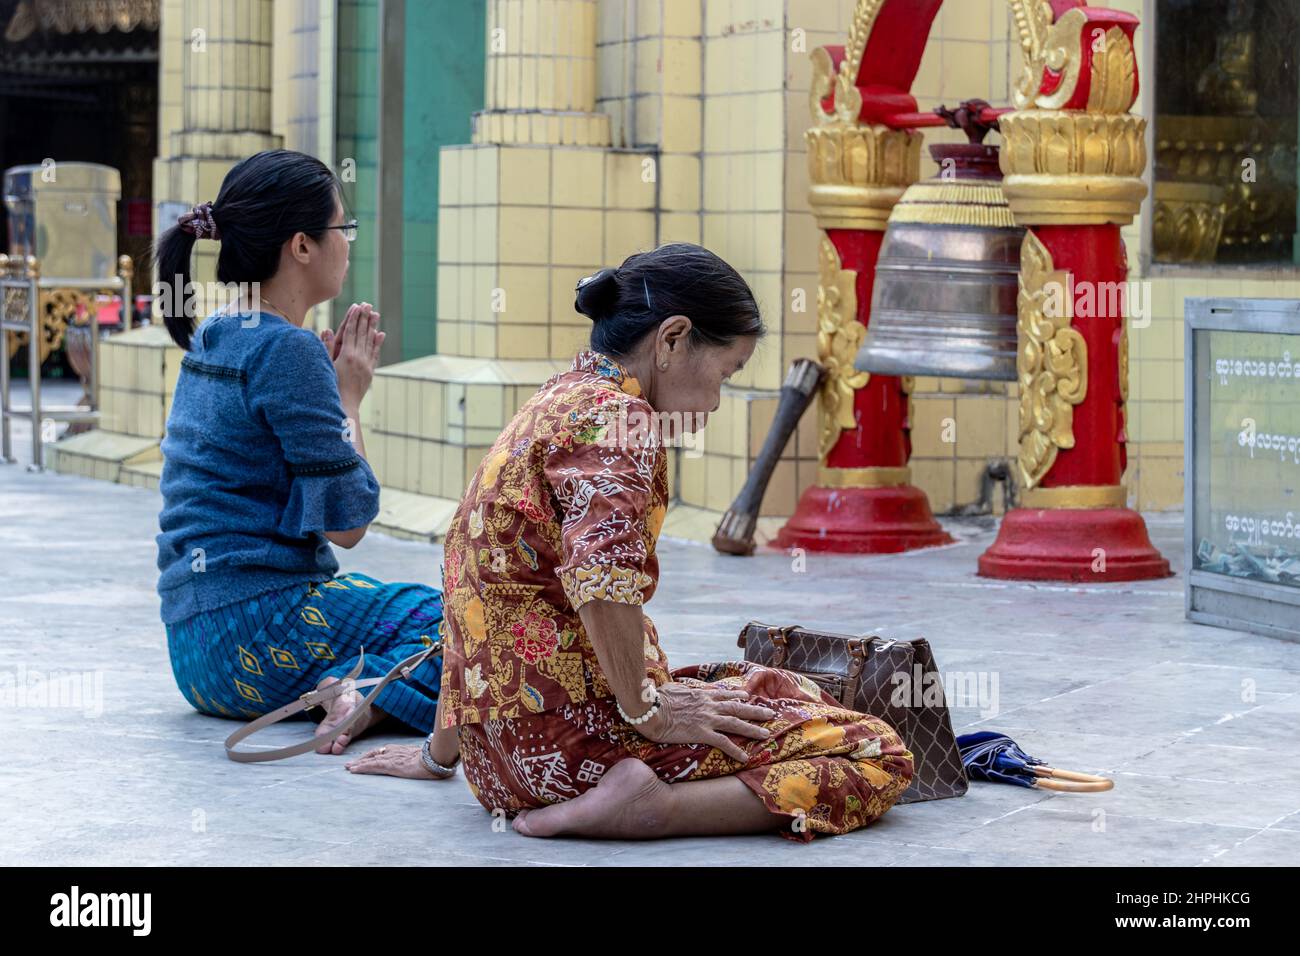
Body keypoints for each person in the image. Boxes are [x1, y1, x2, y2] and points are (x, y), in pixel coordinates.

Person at [346, 243, 914, 840]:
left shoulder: (552, 403)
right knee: (877, 754)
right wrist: (651, 712)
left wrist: (440, 756)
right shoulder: (620, 421)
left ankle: (632, 763)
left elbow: (473, 605)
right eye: (724, 373)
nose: (718, 400)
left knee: (776, 685)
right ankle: (653, 808)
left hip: (497, 762)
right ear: (672, 339)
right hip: (577, 752)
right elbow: (601, 580)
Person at [154, 149, 444, 755]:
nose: (348, 243)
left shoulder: (217, 333)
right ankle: (364, 693)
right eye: (343, 228)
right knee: (472, 619)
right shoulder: (286, 351)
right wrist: (350, 397)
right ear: (302, 246)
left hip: (198, 657)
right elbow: (348, 525)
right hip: (260, 635)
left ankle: (347, 685)